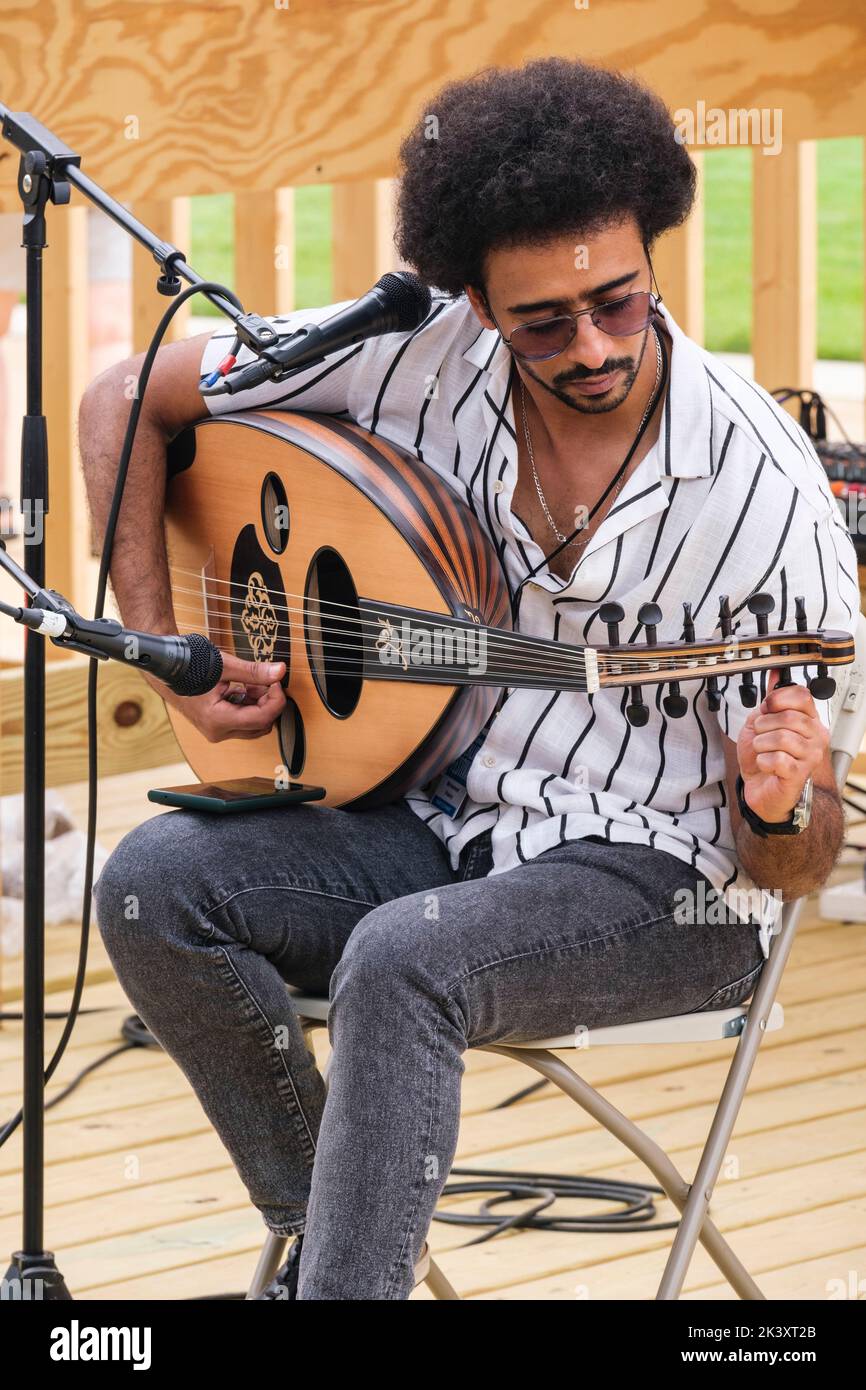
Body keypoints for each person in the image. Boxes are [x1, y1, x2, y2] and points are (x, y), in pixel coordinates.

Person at [79, 57, 858, 1300]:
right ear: (475, 302)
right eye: (541, 321)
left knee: (404, 959)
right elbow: (126, 397)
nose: (592, 345)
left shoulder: (760, 496)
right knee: (149, 885)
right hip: (440, 820)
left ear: (650, 256)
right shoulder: (414, 358)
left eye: (616, 299)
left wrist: (780, 808)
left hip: (662, 883)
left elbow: (792, 865)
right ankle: (324, 1248)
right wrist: (169, 653)